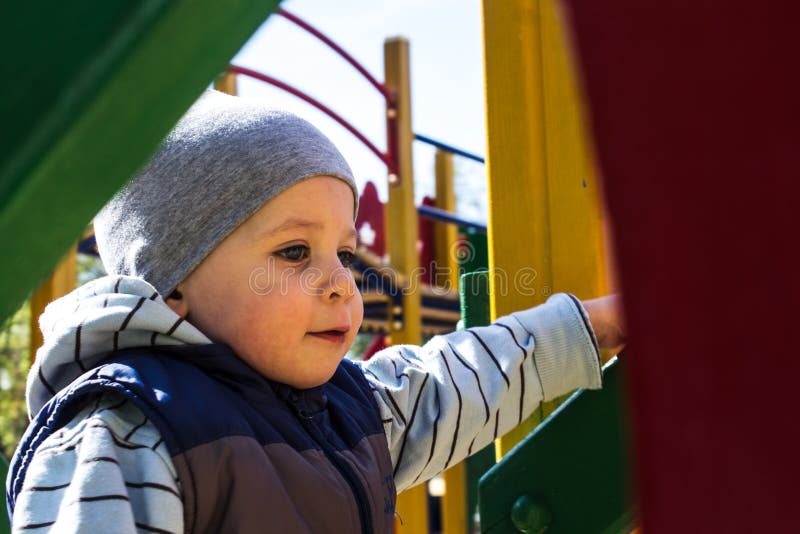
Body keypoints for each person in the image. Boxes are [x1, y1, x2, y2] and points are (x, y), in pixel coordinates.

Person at [5, 90, 625, 533]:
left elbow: (455, 382)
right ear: (171, 286)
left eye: (345, 253)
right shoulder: (123, 435)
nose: (341, 284)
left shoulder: (343, 407)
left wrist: (601, 323)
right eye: (295, 251)